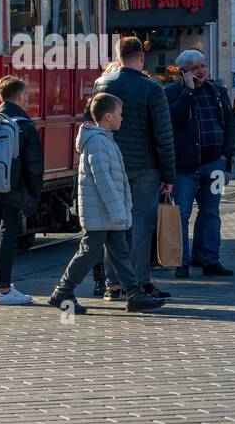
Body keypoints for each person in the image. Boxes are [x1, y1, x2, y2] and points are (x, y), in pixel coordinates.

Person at [47, 95, 166, 315]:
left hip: (105, 213)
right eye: (120, 114)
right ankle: (63, 291)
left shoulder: (104, 139)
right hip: (101, 212)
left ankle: (133, 293)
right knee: (90, 251)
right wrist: (118, 210)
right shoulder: (98, 142)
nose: (122, 118)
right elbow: (103, 179)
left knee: (119, 251)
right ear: (108, 116)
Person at [89, 36, 175, 300]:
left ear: (118, 57)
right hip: (144, 169)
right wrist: (169, 174)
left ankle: (112, 283)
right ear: (141, 58)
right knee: (140, 224)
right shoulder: (152, 89)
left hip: (111, 165)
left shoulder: (102, 84)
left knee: (114, 222)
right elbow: (163, 135)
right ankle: (137, 282)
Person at [165, 49, 235, 277]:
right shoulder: (173, 93)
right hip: (185, 169)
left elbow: (230, 124)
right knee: (182, 215)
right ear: (184, 71)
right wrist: (187, 91)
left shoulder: (216, 91)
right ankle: (182, 262)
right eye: (196, 68)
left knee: (211, 213)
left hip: (214, 164)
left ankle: (210, 260)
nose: (202, 71)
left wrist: (225, 156)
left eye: (204, 66)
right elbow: (172, 119)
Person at [0, 75, 44, 305]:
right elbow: (34, 167)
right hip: (13, 189)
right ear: (19, 96)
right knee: (7, 234)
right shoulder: (25, 126)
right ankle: (5, 290)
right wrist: (34, 194)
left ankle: (0, 285)